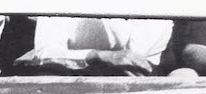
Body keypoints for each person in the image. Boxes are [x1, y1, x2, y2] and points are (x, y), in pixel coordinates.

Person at [11, 17, 174, 76]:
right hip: (73, 75)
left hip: (134, 79)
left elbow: (135, 57)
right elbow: (45, 52)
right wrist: (97, 55)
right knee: (47, 75)